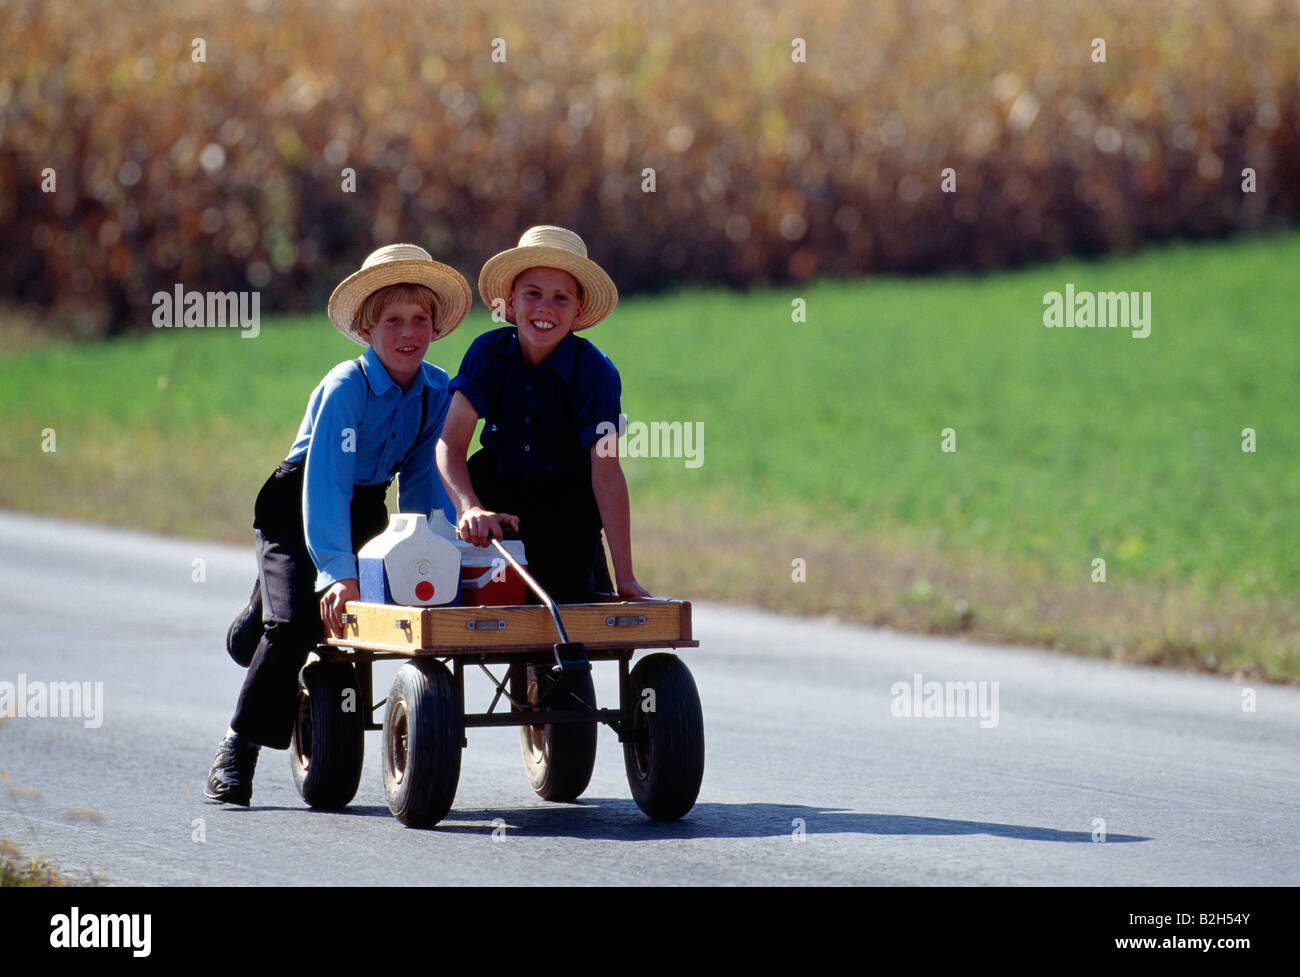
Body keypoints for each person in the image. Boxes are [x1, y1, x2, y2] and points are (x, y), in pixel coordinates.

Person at [205, 244, 471, 806]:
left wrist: (433, 552)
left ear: (434, 327)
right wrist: (335, 573)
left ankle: (258, 614)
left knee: (373, 608)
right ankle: (237, 747)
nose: (408, 333)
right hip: (294, 504)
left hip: (365, 508)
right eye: (393, 320)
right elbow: (322, 485)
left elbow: (422, 486)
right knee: (297, 626)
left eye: (420, 319)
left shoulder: (435, 390)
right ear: (367, 328)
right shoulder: (345, 387)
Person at [436, 225, 650, 604]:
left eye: (561, 298)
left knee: (566, 614)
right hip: (496, 507)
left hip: (567, 510)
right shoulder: (487, 354)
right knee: (500, 612)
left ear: (578, 310)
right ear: (511, 301)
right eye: (532, 294)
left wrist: (627, 577)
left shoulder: (597, 374)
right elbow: (451, 444)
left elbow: (607, 477)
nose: (545, 308)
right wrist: (470, 508)